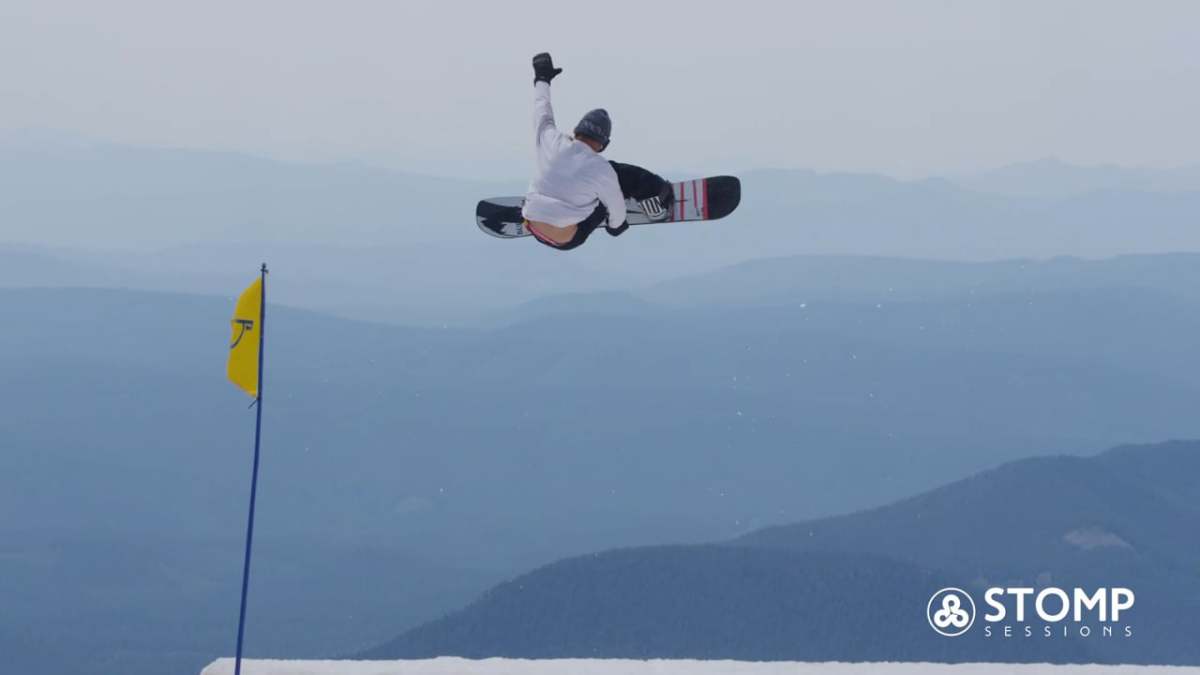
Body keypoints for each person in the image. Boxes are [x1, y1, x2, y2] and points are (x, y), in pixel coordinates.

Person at [522, 52, 674, 251]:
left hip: (531, 223)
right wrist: (616, 227)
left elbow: (542, 109)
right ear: (603, 144)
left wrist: (542, 78)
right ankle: (659, 203)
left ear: (575, 131)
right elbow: (617, 210)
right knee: (621, 178)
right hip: (566, 238)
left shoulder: (550, 139)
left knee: (583, 185)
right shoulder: (602, 170)